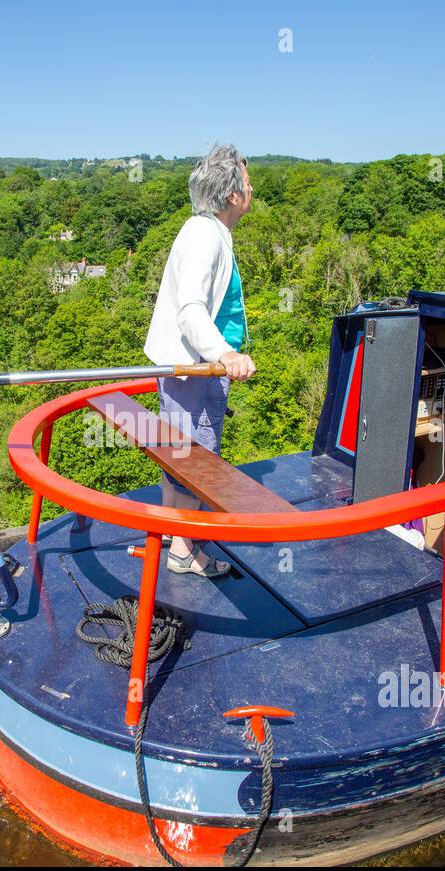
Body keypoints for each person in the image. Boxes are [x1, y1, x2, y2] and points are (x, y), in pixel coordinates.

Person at [143, 144, 256, 578]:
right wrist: (225, 354)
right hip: (198, 369)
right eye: (247, 184)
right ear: (232, 195)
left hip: (193, 367)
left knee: (180, 453)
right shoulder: (205, 235)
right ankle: (185, 551)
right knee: (196, 457)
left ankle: (176, 537)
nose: (251, 190)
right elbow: (190, 309)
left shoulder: (206, 232)